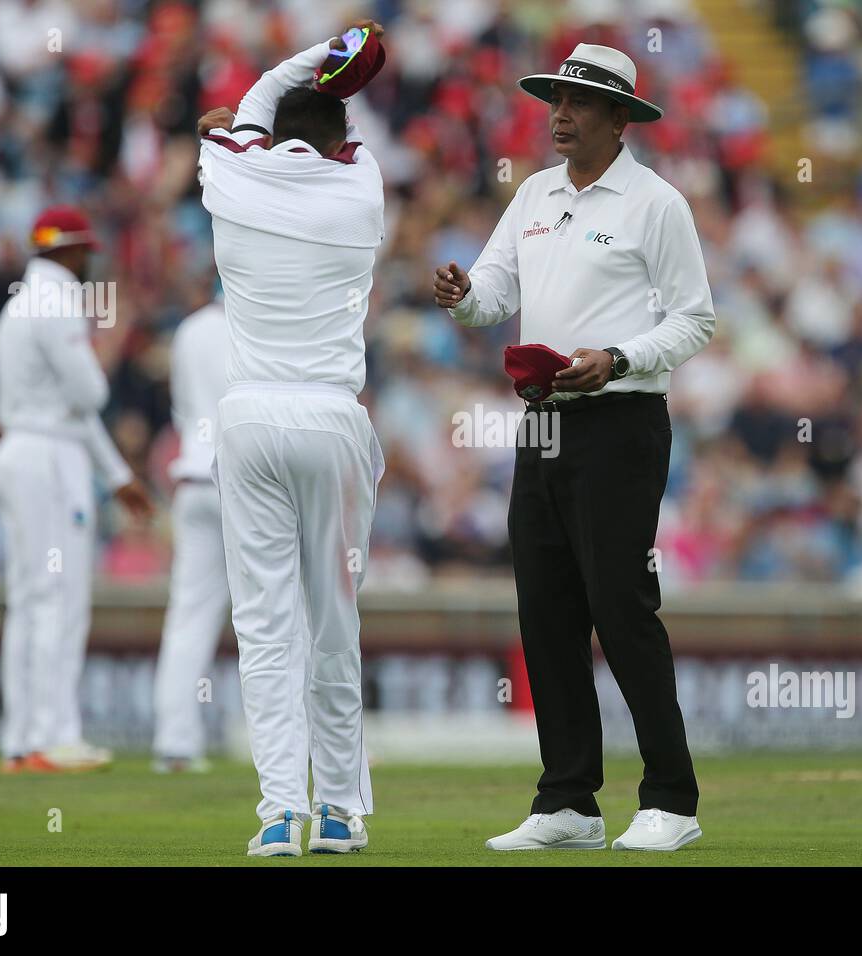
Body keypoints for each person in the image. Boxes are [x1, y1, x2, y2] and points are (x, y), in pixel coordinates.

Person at [433, 44, 716, 851]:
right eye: (556, 98)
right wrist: (461, 297)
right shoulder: (533, 193)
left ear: (621, 118)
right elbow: (493, 296)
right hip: (546, 418)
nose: (561, 113)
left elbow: (696, 318)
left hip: (623, 420)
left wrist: (619, 359)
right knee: (547, 610)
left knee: (620, 607)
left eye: (580, 102)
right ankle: (569, 802)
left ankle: (671, 799)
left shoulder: (655, 203)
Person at [197, 21, 387, 857]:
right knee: (332, 623)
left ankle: (280, 813)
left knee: (266, 629)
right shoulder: (363, 190)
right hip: (333, 417)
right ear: (344, 143)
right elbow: (289, 113)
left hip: (248, 418)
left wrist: (322, 56)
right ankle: (340, 811)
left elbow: (252, 102)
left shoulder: (226, 175)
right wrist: (350, 60)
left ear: (269, 140)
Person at [0, 205, 152, 773]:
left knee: (30, 600)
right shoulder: (60, 302)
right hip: (50, 460)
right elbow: (90, 395)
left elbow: (74, 408)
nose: (88, 263)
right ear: (71, 251)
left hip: (19, 449)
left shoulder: (17, 306)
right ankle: (54, 737)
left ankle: (22, 739)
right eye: (84, 253)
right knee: (60, 597)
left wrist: (117, 476)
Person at [152, 296, 229, 774]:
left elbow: (182, 408)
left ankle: (175, 743)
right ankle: (316, 749)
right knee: (285, 615)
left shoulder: (188, 328)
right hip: (242, 479)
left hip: (192, 473)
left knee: (188, 615)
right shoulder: (264, 316)